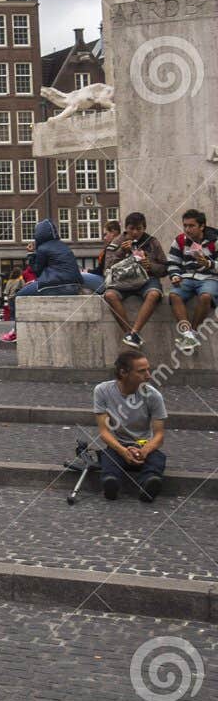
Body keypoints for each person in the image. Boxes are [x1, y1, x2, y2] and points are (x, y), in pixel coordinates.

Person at [92, 350, 167, 502]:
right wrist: (123, 450)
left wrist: (144, 451)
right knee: (109, 457)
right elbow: (104, 432)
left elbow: (159, 435)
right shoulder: (102, 391)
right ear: (123, 372)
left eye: (148, 369)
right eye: (141, 371)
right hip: (118, 444)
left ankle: (148, 484)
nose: (148, 375)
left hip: (144, 444)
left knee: (157, 459)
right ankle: (111, 483)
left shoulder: (154, 396)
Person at [100, 212, 168, 349]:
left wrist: (151, 266)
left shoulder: (152, 242)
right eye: (131, 228)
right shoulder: (116, 243)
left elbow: (165, 268)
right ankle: (130, 334)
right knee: (109, 295)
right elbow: (107, 269)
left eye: (139, 229)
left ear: (144, 228)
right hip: (122, 281)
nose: (135, 232)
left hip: (147, 280)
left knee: (154, 294)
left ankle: (134, 332)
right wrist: (121, 252)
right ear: (126, 228)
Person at [166, 208, 218, 355]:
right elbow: (172, 262)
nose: (187, 229)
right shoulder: (180, 240)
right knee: (174, 295)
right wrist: (175, 275)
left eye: (191, 226)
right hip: (187, 277)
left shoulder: (215, 241)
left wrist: (209, 264)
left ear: (202, 226)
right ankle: (187, 334)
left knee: (206, 296)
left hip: (210, 278)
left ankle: (193, 332)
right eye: (185, 226)